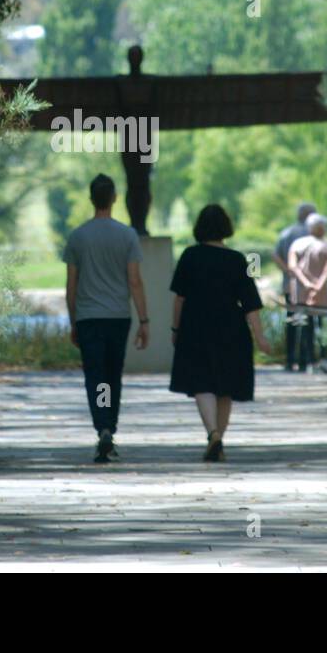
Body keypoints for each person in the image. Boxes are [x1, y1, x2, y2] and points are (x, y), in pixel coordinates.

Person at [169, 204, 271, 462]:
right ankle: (219, 440)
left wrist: (175, 329)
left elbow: (179, 299)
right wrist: (260, 337)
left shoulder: (190, 256)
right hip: (230, 329)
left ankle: (213, 433)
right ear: (226, 227)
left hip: (195, 326)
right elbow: (251, 305)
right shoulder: (238, 259)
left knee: (202, 383)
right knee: (226, 387)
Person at [63, 173, 150, 463]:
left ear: (91, 199)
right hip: (118, 316)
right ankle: (109, 427)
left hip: (89, 317)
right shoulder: (127, 235)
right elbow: (135, 281)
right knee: (113, 375)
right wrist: (144, 320)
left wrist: (73, 321)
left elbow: (71, 285)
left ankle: (101, 426)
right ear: (114, 198)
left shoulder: (78, 237)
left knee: (96, 375)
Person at [287, 213, 327, 374]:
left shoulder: (297, 244)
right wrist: (318, 287)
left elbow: (292, 266)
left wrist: (306, 284)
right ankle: (322, 359)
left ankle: (306, 361)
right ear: (319, 228)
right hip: (321, 295)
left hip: (301, 293)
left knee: (304, 327)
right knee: (322, 328)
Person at [273, 201, 316, 371]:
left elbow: (275, 255)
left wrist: (288, 271)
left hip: (289, 285)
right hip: (309, 287)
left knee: (291, 321)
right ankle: (306, 360)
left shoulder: (287, 232)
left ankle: (290, 360)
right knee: (308, 322)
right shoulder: (312, 236)